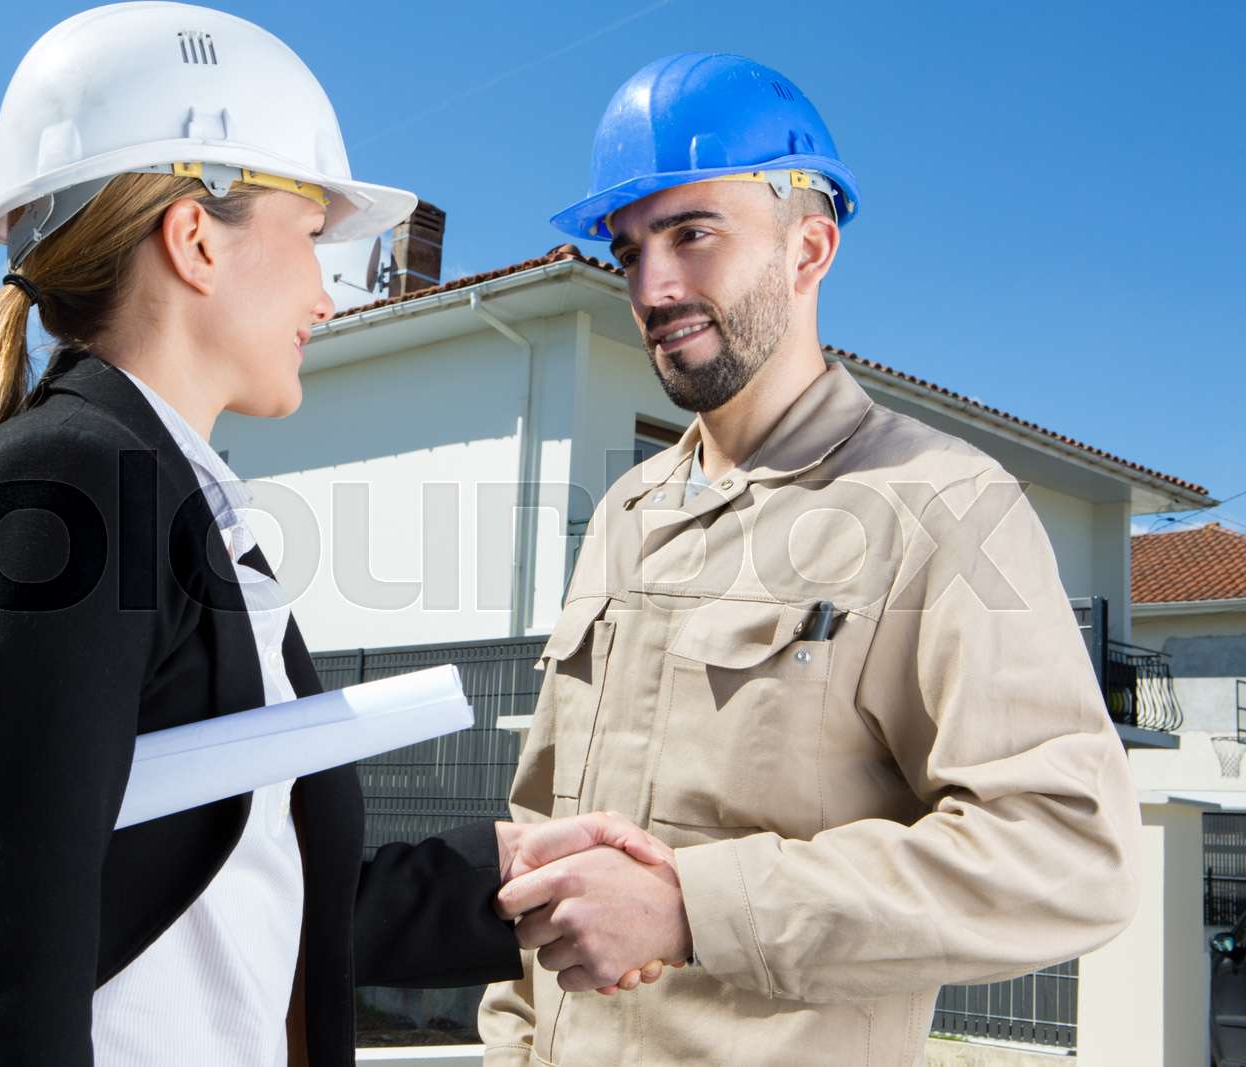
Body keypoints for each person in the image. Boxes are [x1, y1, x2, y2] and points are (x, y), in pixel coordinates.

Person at [0, 7, 669, 1066]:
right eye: (310, 236)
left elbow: (232, 883)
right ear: (195, 239)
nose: (330, 291)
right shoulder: (66, 493)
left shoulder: (175, 502)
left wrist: (502, 874)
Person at [479, 52, 1142, 1066]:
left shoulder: (940, 505)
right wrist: (511, 1044)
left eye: (692, 232)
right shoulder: (626, 510)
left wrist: (692, 906)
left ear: (808, 248)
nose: (653, 286)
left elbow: (1067, 854)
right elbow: (540, 830)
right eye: (627, 250)